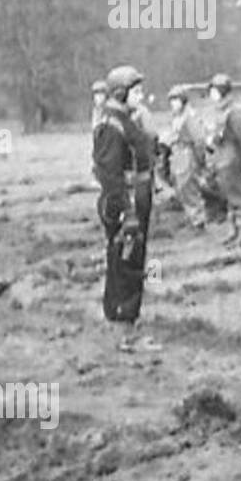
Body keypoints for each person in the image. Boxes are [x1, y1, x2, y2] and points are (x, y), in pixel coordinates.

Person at [93, 65, 160, 353]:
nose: (141, 96)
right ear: (121, 93)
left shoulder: (122, 118)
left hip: (135, 198)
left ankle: (120, 321)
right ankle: (125, 331)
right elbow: (110, 175)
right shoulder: (113, 125)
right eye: (137, 91)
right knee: (127, 264)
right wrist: (127, 212)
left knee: (127, 261)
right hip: (125, 202)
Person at [204, 72, 241, 248]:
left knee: (237, 195)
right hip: (222, 157)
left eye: (214, 90)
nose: (211, 94)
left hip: (231, 157)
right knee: (229, 196)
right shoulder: (221, 111)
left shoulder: (233, 111)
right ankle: (234, 230)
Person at [166, 85, 208, 229]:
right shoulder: (176, 117)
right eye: (171, 100)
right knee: (181, 187)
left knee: (189, 187)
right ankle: (192, 218)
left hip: (187, 152)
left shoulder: (189, 117)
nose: (173, 104)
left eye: (176, 100)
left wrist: (199, 159)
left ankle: (198, 221)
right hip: (177, 153)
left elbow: (199, 140)